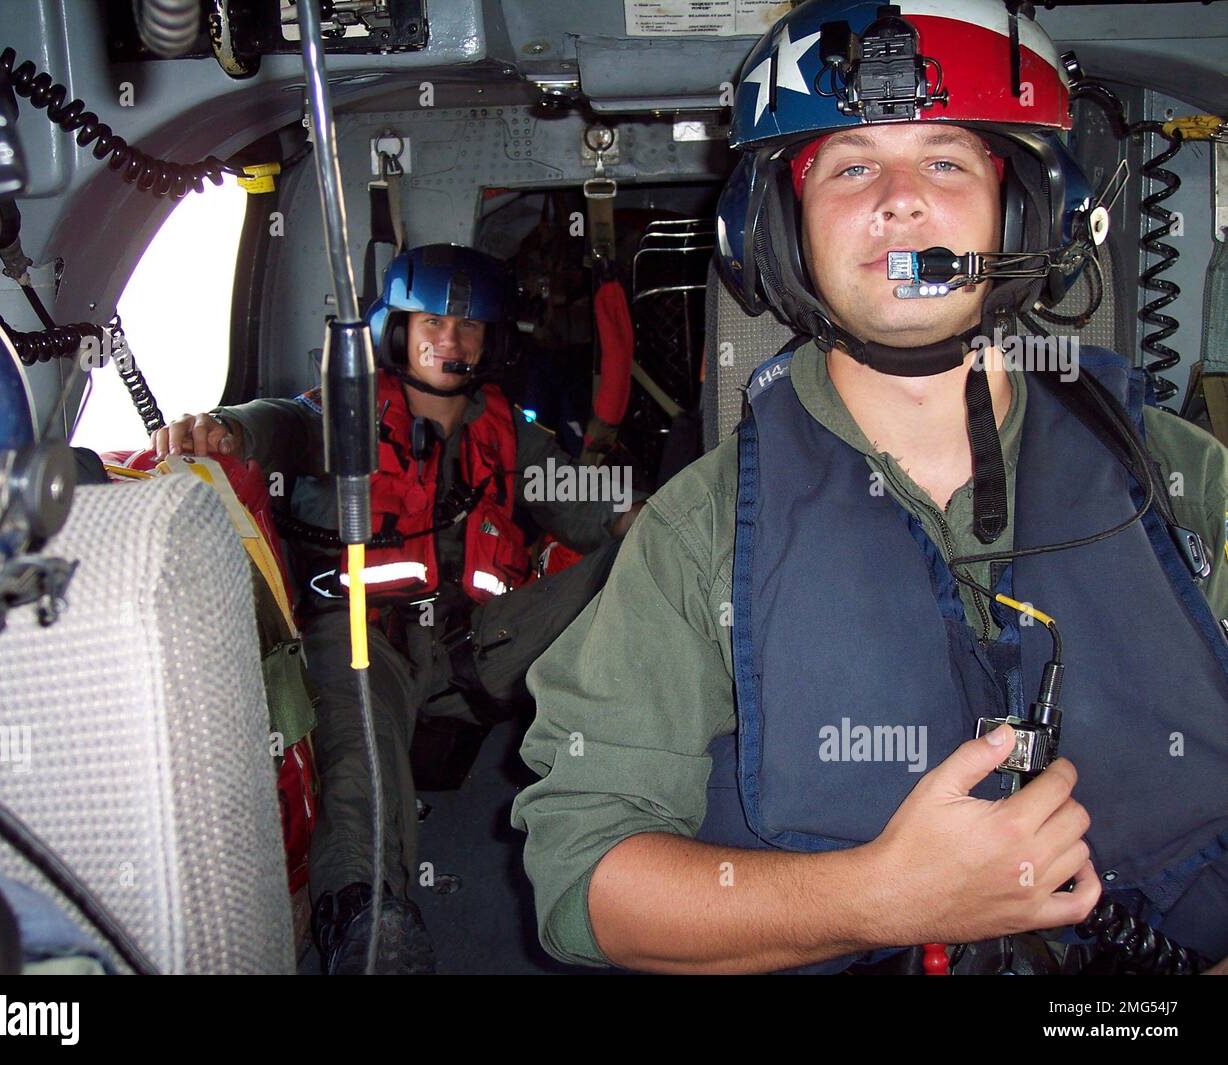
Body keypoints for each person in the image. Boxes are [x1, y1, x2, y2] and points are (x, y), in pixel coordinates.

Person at [511, 0, 1228, 975]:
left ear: (1020, 211)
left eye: (944, 160)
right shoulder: (699, 531)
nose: (899, 200)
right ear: (780, 229)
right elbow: (580, 880)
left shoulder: (1184, 481)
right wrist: (876, 899)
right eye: (850, 166)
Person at [152, 243, 642, 973]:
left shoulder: (511, 435)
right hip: (364, 637)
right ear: (397, 329)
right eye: (434, 320)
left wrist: (643, 523)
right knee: (361, 750)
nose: (452, 339)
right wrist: (224, 432)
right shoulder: (335, 415)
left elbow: (592, 508)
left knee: (641, 561)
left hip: (481, 647)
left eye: (470, 326)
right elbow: (272, 423)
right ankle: (363, 914)